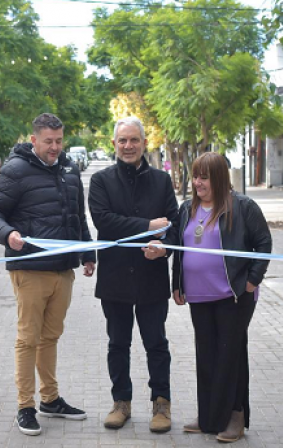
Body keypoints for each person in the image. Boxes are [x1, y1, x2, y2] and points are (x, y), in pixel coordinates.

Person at [0, 113, 96, 436]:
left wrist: (88, 253)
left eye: (59, 141)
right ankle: (25, 407)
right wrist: (7, 235)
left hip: (64, 270)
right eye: (48, 141)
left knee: (51, 336)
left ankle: (51, 399)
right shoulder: (15, 171)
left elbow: (78, 216)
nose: (55, 147)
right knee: (28, 339)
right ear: (34, 140)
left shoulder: (70, 171)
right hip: (29, 268)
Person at [147, 152, 272, 443]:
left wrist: (252, 281)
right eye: (195, 176)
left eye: (204, 177)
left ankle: (235, 417)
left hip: (233, 296)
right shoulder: (186, 208)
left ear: (218, 178)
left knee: (229, 355)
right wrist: (173, 274)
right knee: (207, 357)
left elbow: (263, 242)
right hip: (199, 297)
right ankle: (209, 417)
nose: (197, 182)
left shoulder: (243, 207)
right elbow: (177, 244)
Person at [88, 116, 179, 433]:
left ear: (144, 143)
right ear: (114, 144)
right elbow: (104, 221)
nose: (128, 146)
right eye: (122, 140)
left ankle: (161, 404)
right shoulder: (100, 181)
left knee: (157, 344)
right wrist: (148, 227)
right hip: (115, 278)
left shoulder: (161, 181)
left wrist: (163, 247)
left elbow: (173, 225)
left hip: (152, 276)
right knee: (118, 345)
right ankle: (121, 403)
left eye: (134, 140)